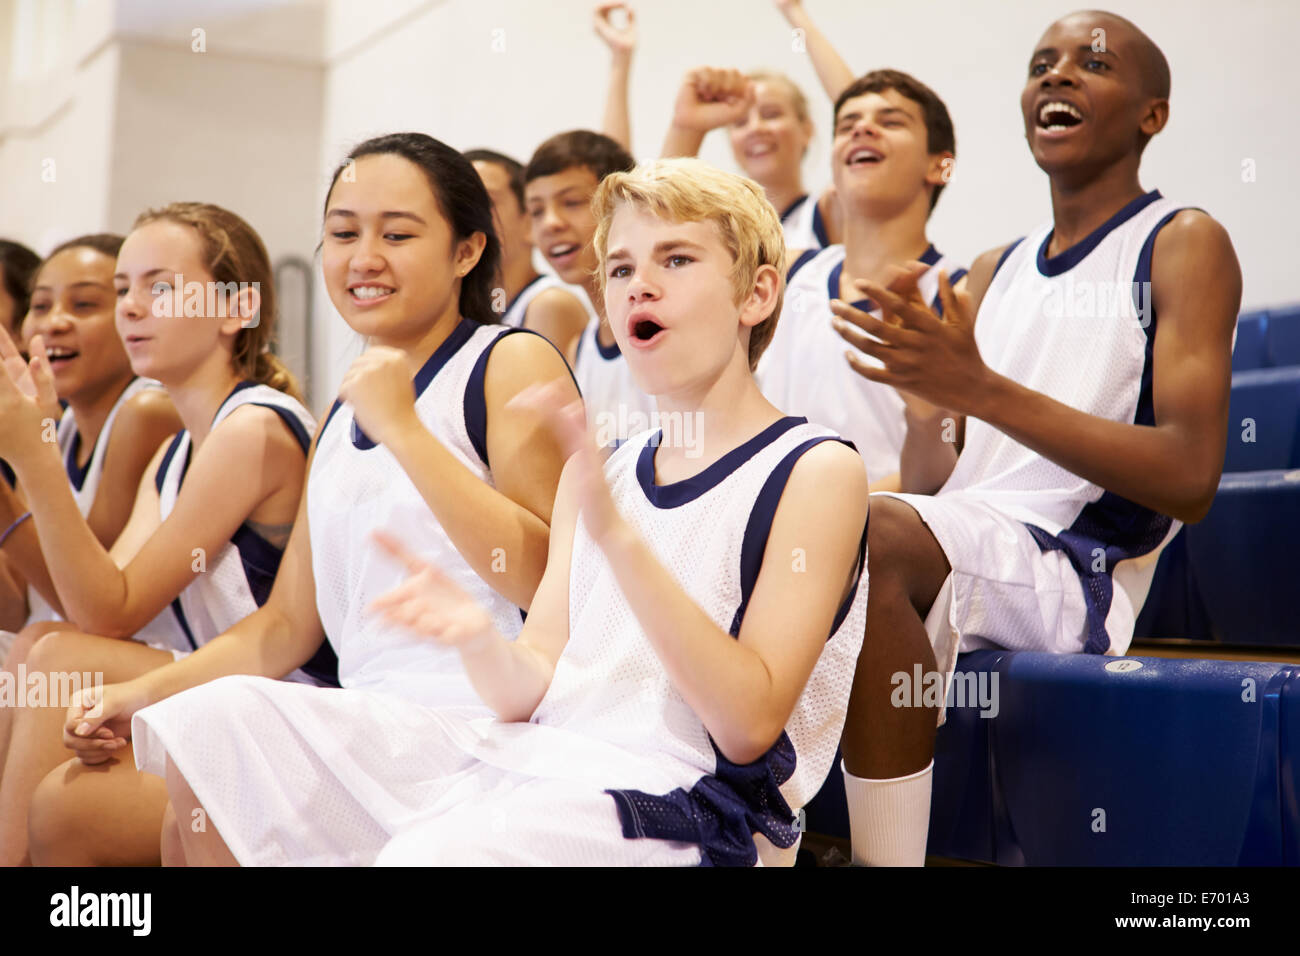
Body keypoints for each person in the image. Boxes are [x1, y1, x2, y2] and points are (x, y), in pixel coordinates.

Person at [58, 133, 577, 866]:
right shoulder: (343, 413)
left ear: (466, 252)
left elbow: (555, 578)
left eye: (397, 234)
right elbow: (285, 627)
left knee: (215, 757)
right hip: (374, 725)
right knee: (189, 818)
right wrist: (141, 695)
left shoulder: (504, 360)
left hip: (489, 723)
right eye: (342, 233)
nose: (363, 257)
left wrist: (406, 432)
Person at [830, 10, 1240, 866]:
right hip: (977, 536)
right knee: (810, 516)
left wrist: (979, 388)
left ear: (1150, 114)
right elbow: (940, 480)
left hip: (1073, 570)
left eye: (1091, 63)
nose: (1056, 75)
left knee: (873, 528)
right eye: (1040, 63)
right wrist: (924, 402)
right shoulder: (991, 269)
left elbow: (1192, 478)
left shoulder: (1183, 242)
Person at [0, 204, 323, 865]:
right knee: (45, 644)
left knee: (60, 661)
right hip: (219, 698)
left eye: (160, 288)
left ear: (235, 309)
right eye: (124, 291)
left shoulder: (254, 429)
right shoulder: (177, 450)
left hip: (286, 706)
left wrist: (30, 452)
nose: (133, 309)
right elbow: (89, 608)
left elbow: (105, 614)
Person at [758, 69, 962, 491]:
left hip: (881, 541)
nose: (862, 129)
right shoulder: (783, 274)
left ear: (940, 166)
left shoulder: (961, 297)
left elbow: (947, 479)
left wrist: (927, 419)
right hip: (761, 538)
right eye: (847, 125)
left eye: (890, 122)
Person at [660, 1, 856, 254]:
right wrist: (685, 127)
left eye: (771, 114)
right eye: (740, 123)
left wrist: (794, 12)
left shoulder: (828, 212)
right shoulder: (723, 230)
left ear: (806, 129)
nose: (756, 128)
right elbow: (658, 210)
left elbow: (861, 113)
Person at [524, 130, 653, 450]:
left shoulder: (661, 326)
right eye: (537, 210)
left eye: (571, 202)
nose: (551, 223)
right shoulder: (578, 351)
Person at [464, 148, 589, 355]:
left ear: (529, 219)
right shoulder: (493, 306)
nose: (468, 217)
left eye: (485, 202)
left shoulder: (550, 305)